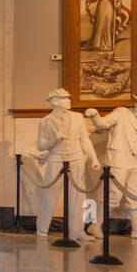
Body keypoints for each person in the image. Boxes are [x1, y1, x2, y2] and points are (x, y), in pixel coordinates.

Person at [34, 88, 99, 240]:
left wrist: (93, 157)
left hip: (75, 159)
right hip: (55, 159)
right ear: (55, 102)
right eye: (65, 98)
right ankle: (42, 230)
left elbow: (84, 139)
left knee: (78, 196)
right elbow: (41, 146)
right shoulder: (45, 121)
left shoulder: (77, 117)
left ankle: (77, 231)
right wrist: (54, 140)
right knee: (49, 195)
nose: (69, 100)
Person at [87, 94, 137, 237]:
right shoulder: (122, 112)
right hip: (118, 160)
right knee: (113, 196)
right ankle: (95, 226)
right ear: (136, 103)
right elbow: (102, 124)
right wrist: (94, 115)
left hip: (135, 161)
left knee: (135, 196)